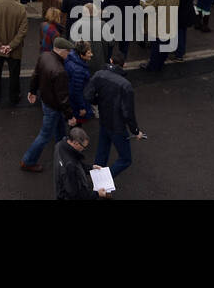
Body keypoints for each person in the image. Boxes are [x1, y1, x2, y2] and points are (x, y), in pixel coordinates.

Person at [83, 48, 144, 176]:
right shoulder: (126, 85)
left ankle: (99, 184)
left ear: (110, 61)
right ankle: (104, 179)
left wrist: (97, 101)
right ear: (124, 65)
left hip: (104, 121)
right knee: (125, 159)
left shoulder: (99, 75)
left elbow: (88, 96)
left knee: (102, 153)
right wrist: (136, 131)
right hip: (118, 126)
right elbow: (128, 113)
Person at [21, 36, 76, 172]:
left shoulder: (44, 56)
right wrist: (70, 116)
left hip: (45, 101)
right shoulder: (60, 71)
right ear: (62, 51)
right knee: (45, 135)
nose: (69, 54)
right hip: (54, 107)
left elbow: (36, 74)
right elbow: (63, 98)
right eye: (68, 51)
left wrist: (32, 91)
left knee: (59, 130)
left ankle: (62, 152)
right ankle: (28, 161)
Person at [55, 126, 109, 200]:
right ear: (75, 143)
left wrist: (91, 168)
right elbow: (76, 194)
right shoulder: (70, 165)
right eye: (83, 147)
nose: (83, 149)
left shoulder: (59, 145)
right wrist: (97, 194)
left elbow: (77, 164)